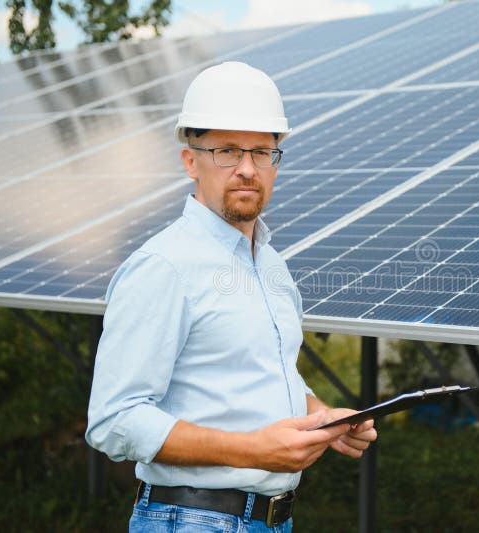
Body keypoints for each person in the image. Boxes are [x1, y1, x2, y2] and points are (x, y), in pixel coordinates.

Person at [85, 61, 377, 532]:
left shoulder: (272, 266)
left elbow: (261, 373)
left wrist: (324, 418)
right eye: (227, 151)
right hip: (190, 519)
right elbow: (113, 420)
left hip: (272, 520)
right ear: (190, 161)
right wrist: (254, 449)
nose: (247, 169)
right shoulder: (164, 266)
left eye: (262, 152)